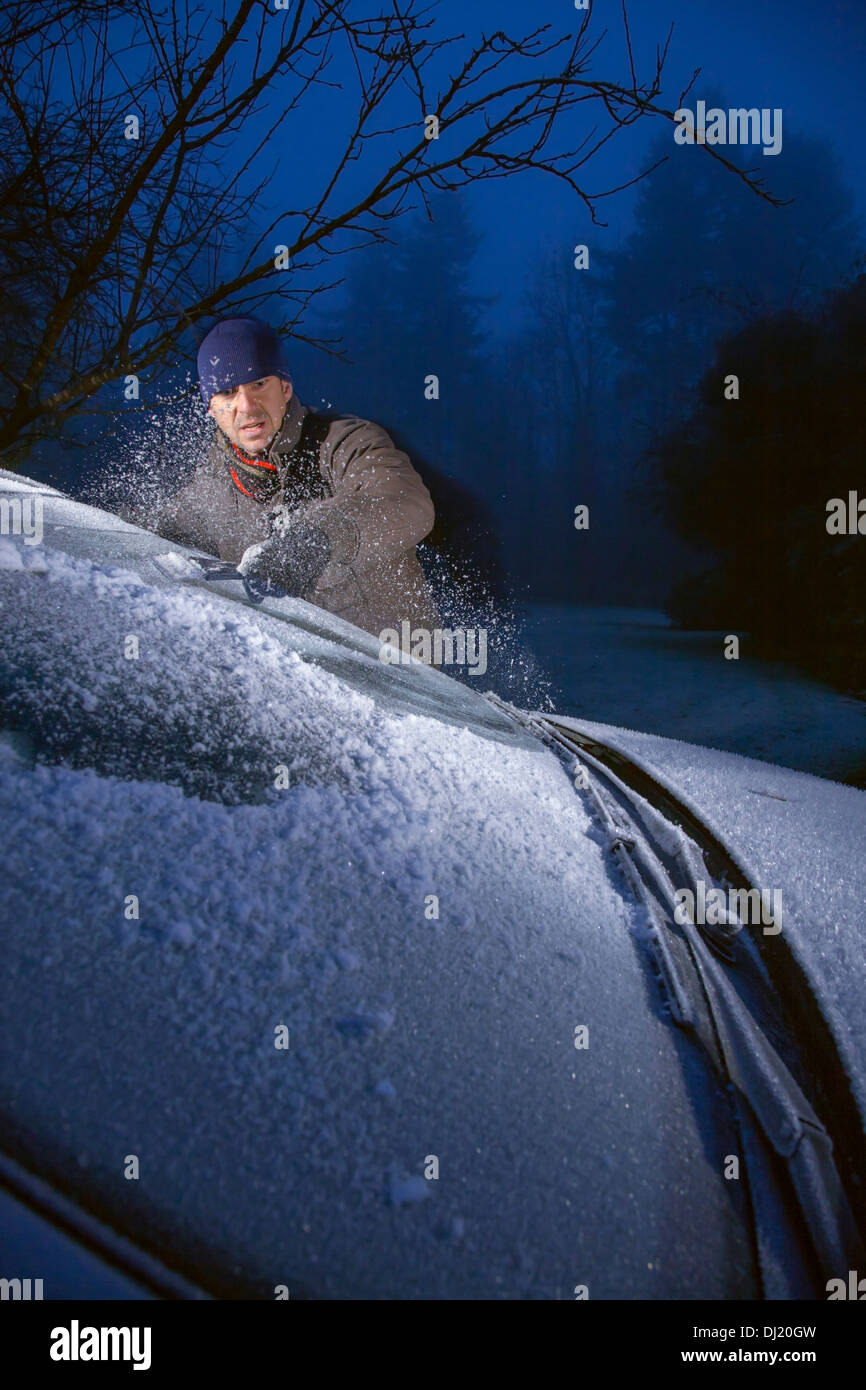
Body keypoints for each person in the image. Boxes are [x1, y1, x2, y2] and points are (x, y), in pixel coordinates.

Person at [144, 316, 441, 641]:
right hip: (294, 668)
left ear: (285, 388)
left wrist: (315, 541)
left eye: (259, 384)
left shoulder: (344, 442)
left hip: (396, 666)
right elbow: (161, 543)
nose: (246, 405)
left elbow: (405, 500)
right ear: (211, 408)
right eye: (228, 392)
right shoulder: (213, 484)